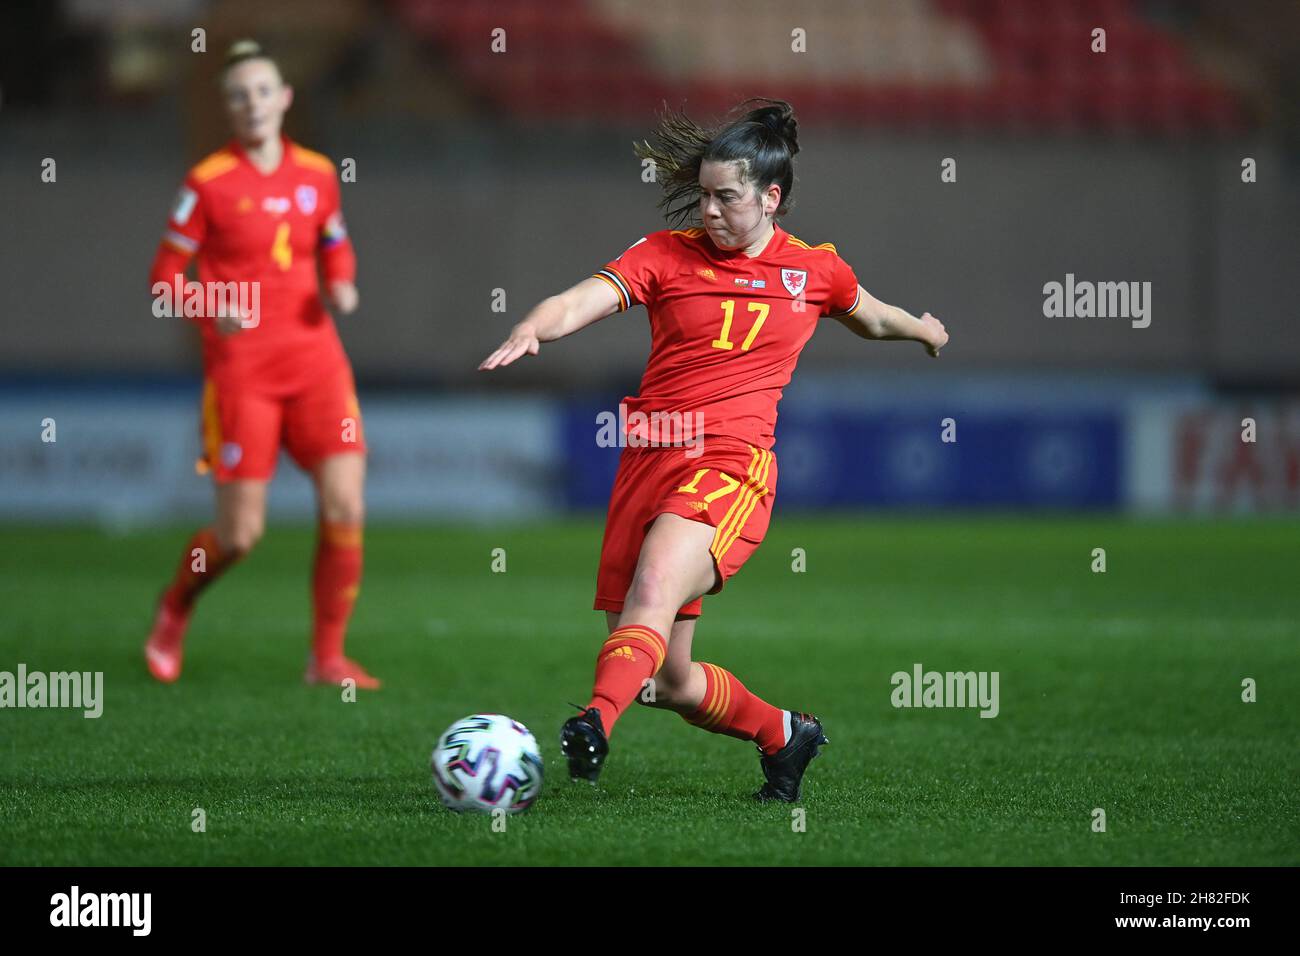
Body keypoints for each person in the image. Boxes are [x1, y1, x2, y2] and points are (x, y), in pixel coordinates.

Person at [480, 97, 948, 801]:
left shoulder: (814, 272)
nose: (709, 212)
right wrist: (536, 325)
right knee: (666, 682)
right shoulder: (664, 256)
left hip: (731, 464)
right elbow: (584, 298)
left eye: (726, 198)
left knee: (653, 590)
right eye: (702, 196)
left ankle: (592, 722)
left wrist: (925, 331)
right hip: (646, 461)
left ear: (771, 197)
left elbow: (875, 318)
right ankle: (785, 735)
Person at [144, 40, 378, 690]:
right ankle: (175, 605)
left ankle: (326, 658)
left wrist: (343, 282)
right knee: (240, 533)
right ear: (228, 107)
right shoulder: (208, 183)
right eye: (239, 95)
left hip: (317, 363)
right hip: (244, 373)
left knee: (346, 503)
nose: (252, 103)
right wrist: (207, 303)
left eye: (262, 91)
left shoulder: (318, 174)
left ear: (284, 99)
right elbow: (164, 281)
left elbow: (334, 240)